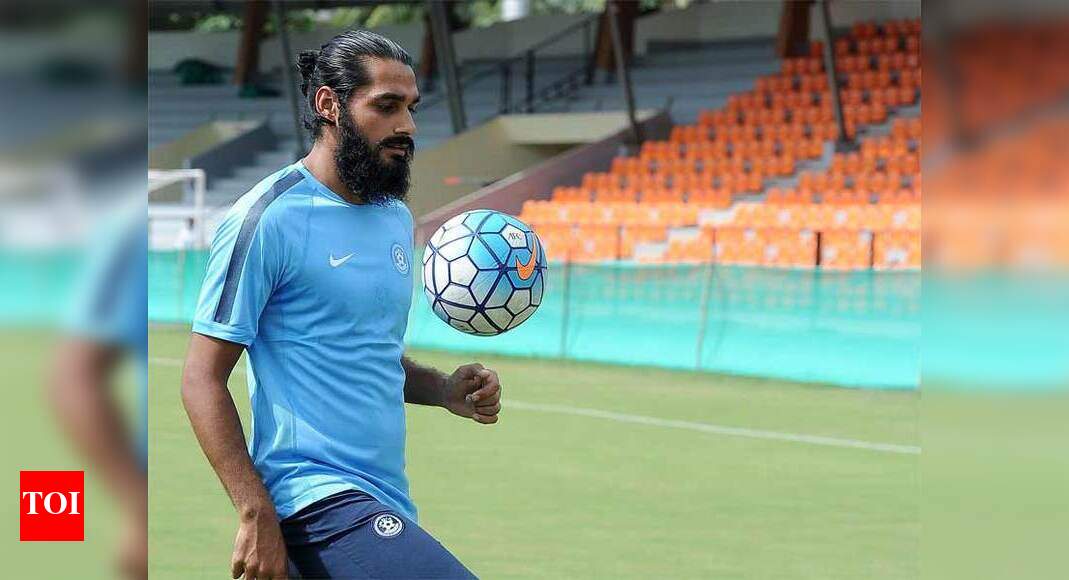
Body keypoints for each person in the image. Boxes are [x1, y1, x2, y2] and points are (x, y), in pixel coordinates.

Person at [181, 30, 500, 580]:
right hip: (312, 500)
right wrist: (254, 512)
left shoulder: (395, 218)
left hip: (385, 499)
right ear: (328, 104)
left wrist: (444, 390)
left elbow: (370, 355)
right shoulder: (266, 219)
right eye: (386, 106)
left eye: (412, 108)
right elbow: (200, 379)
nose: (408, 126)